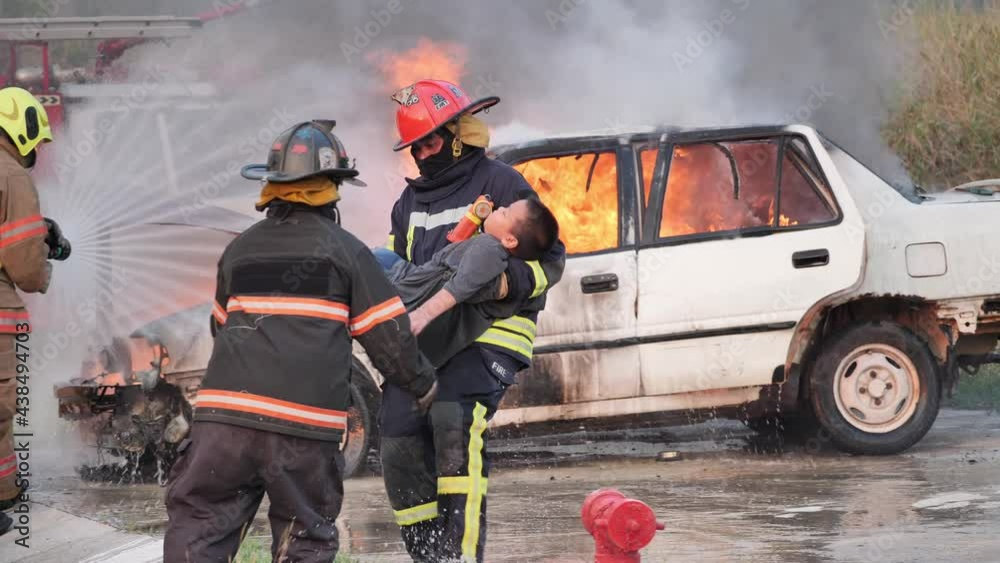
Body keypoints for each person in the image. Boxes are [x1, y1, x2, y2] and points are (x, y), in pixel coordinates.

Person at [163, 120, 438, 562]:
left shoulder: (241, 249)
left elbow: (221, 328)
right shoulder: (346, 250)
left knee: (199, 530)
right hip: (302, 432)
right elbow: (389, 339)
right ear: (331, 188)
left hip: (222, 426)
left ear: (273, 185)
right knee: (303, 541)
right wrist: (423, 384)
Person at [380, 79, 566, 563]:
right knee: (398, 441)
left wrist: (509, 286)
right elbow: (402, 276)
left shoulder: (501, 183)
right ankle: (429, 557)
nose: (422, 152)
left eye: (431, 140)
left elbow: (553, 261)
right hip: (425, 344)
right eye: (415, 145)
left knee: (453, 427)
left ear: (459, 131)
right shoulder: (409, 204)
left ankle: (459, 558)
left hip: (486, 339)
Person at [374, 194, 560, 368]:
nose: (500, 207)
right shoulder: (492, 253)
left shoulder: (489, 248)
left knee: (359, 256)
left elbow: (461, 285)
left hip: (405, 289)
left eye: (505, 213)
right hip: (412, 288)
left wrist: (423, 314)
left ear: (510, 240)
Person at [0, 87, 70, 536]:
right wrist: (44, 260)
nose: (37, 151)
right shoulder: (11, 174)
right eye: (37, 139)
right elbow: (25, 267)